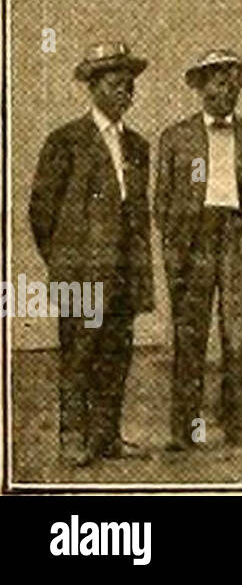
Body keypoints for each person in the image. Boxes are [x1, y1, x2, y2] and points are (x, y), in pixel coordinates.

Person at [29, 42, 154, 466]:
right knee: (79, 354)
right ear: (94, 88)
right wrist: (65, 264)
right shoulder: (65, 141)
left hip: (124, 272)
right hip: (81, 273)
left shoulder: (137, 146)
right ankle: (73, 439)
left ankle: (107, 438)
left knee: (116, 354)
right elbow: (41, 214)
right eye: (117, 85)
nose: (127, 93)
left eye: (130, 86)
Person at [156, 49, 242, 450]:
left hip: (237, 237)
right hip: (195, 241)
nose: (226, 91)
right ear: (202, 87)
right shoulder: (175, 137)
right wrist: (175, 251)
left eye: (232, 83)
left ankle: (234, 428)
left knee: (236, 338)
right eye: (218, 82)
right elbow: (163, 202)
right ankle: (186, 431)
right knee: (189, 338)